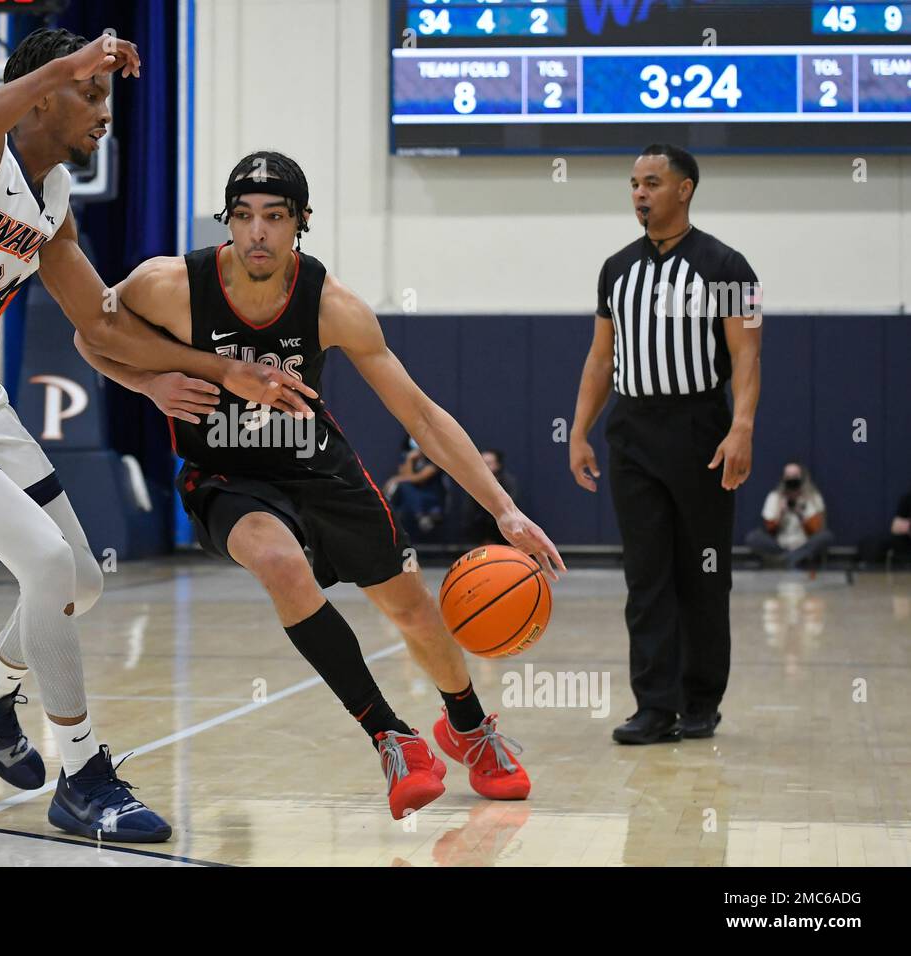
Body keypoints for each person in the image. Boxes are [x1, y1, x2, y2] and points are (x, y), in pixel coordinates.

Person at [0, 29, 314, 843]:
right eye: (91, 95)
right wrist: (61, 64)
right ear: (43, 94)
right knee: (45, 563)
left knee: (80, 580)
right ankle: (82, 775)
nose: (104, 113)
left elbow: (100, 319)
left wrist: (192, 372)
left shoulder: (52, 201)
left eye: (107, 98)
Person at [76, 151, 565, 819]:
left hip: (315, 464)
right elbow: (91, 334)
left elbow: (420, 414)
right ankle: (392, 736)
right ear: (228, 222)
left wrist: (504, 511)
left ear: (301, 223)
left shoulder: (333, 306)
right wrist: (149, 383)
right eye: (244, 217)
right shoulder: (168, 286)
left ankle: (471, 727)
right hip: (226, 475)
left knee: (413, 612)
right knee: (279, 562)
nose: (257, 233)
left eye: (274, 218)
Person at [569, 144, 762, 745]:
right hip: (633, 431)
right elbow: (602, 359)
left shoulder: (729, 265)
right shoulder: (615, 268)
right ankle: (654, 706)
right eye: (633, 184)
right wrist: (579, 429)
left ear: (685, 189)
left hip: (700, 428)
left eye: (652, 182)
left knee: (703, 572)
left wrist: (742, 426)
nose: (640, 194)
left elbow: (746, 352)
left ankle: (700, 700)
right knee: (646, 574)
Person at [745, 463, 834, 569]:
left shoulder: (813, 497)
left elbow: (816, 530)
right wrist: (780, 513)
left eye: (795, 477)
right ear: (783, 478)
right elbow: (769, 529)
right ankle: (793, 558)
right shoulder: (775, 497)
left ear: (802, 478)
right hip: (780, 545)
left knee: (826, 536)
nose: (792, 481)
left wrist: (800, 513)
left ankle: (788, 558)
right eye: (788, 477)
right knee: (754, 537)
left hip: (804, 544)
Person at [385, 435, 445, 537]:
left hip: (430, 497)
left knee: (402, 485)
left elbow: (420, 479)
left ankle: (419, 515)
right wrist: (409, 460)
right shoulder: (406, 456)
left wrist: (395, 479)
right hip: (408, 500)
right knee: (402, 487)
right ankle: (418, 516)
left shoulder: (434, 459)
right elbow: (405, 476)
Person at [469, 449, 520, 545]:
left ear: (498, 465)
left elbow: (511, 509)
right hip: (483, 528)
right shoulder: (474, 483)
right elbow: (470, 513)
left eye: (488, 463)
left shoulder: (508, 482)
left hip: (505, 527)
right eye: (481, 463)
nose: (484, 467)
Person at [858, 484, 911, 568]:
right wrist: (907, 527)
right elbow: (895, 528)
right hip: (906, 543)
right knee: (879, 544)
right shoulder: (907, 499)